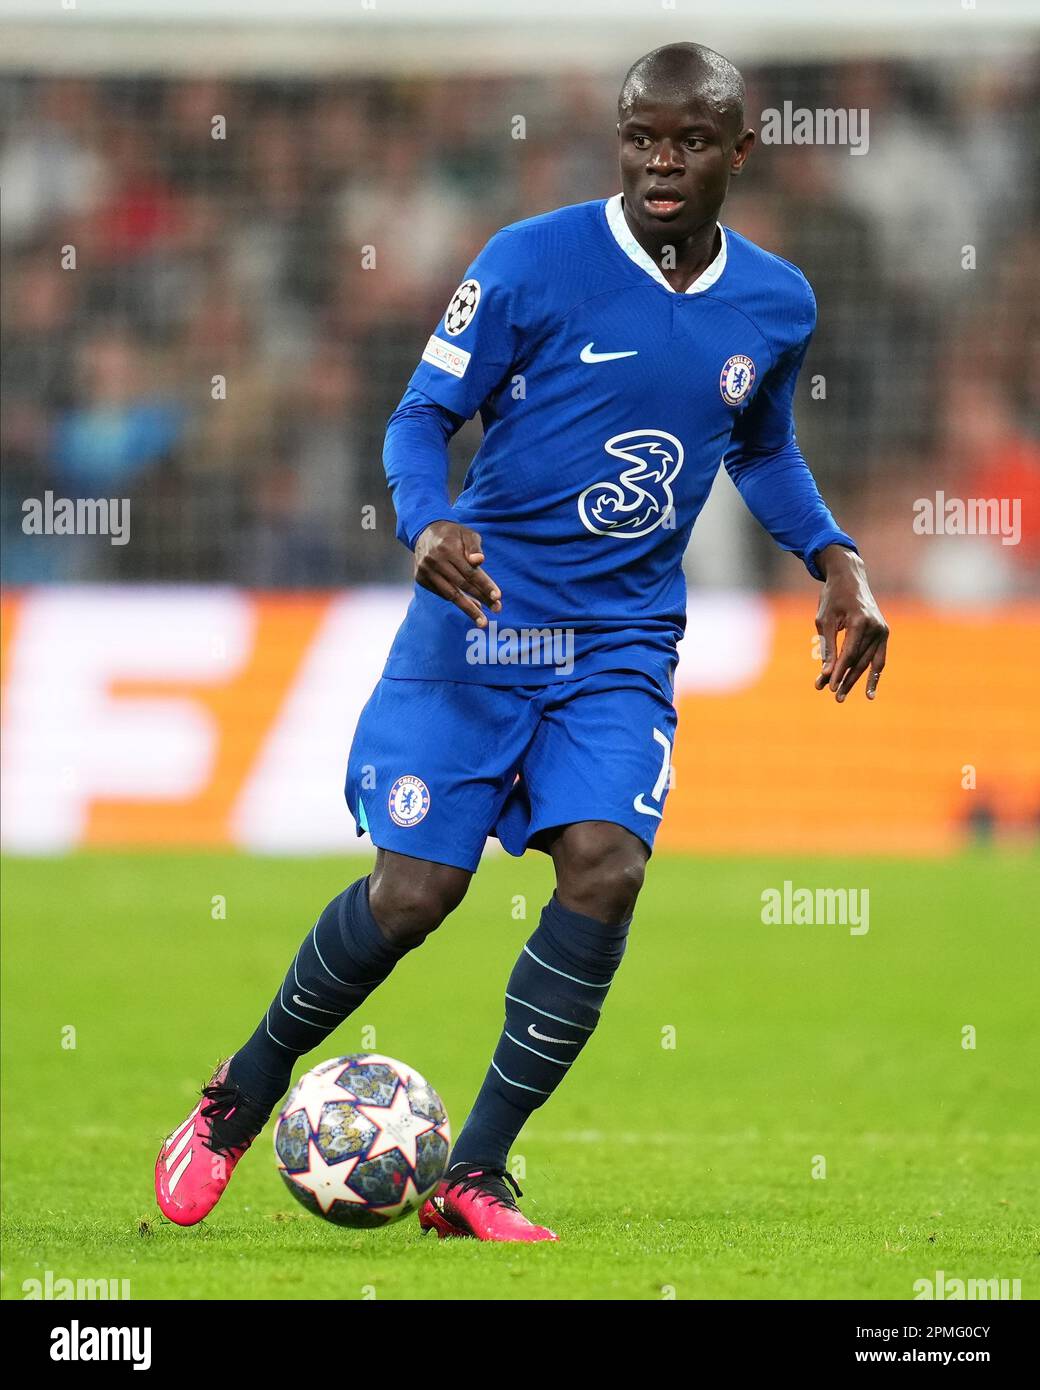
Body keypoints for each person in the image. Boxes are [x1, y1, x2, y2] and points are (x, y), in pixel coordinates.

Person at [155, 42, 889, 1243]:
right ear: (619, 139)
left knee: (605, 863)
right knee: (414, 894)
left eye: (691, 140)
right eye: (642, 136)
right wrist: (425, 521)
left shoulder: (775, 300)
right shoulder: (527, 263)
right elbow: (420, 414)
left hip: (619, 641)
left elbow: (758, 445)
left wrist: (835, 558)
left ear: (736, 152)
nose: (663, 160)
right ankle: (232, 1104)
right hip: (482, 618)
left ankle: (475, 1173)